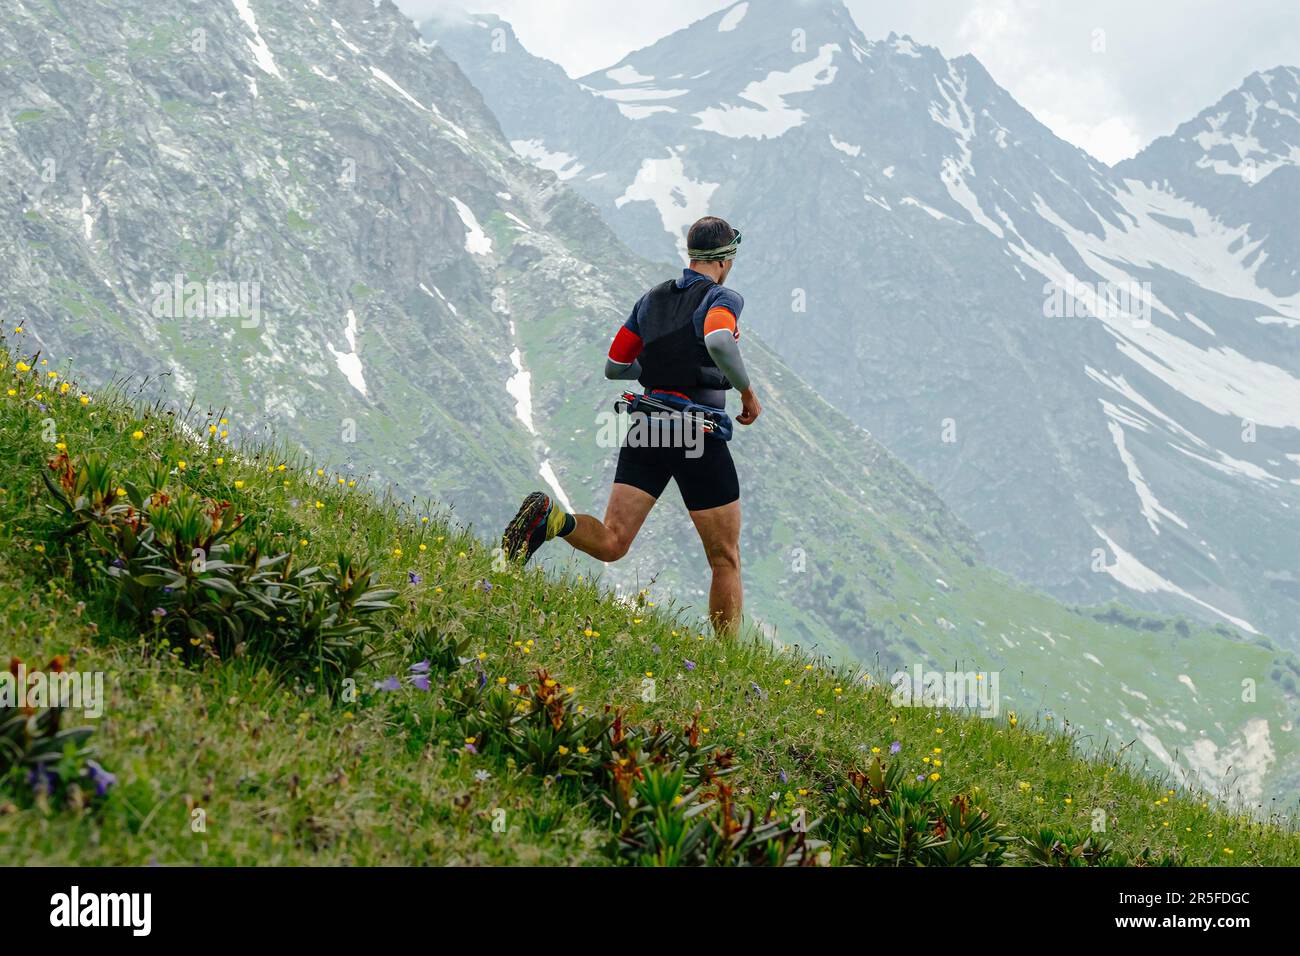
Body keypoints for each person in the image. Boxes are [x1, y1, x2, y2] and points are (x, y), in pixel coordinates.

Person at [501, 216, 761, 636]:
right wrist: (746, 391)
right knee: (724, 557)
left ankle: (552, 519)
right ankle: (727, 661)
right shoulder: (723, 297)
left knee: (613, 542)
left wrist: (662, 370)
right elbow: (717, 340)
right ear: (726, 258)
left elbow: (616, 366)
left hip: (647, 424)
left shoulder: (651, 300)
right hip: (696, 432)